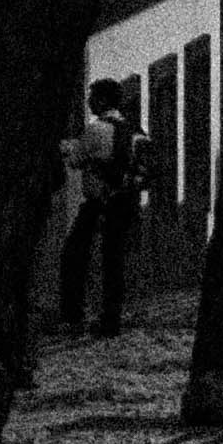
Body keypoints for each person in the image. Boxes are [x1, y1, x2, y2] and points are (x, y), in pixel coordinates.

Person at [57, 78, 143, 338]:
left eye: (92, 97)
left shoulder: (96, 129)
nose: (89, 101)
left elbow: (74, 161)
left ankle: (73, 316)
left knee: (74, 255)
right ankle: (110, 318)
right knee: (113, 262)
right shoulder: (133, 129)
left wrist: (68, 147)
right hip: (126, 202)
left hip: (99, 203)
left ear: (103, 101)